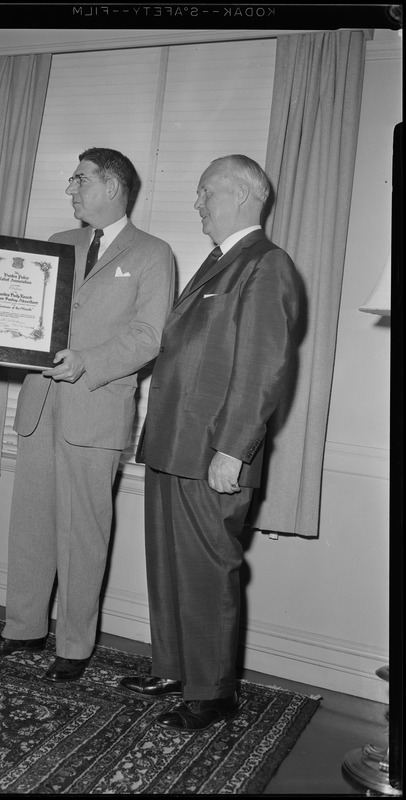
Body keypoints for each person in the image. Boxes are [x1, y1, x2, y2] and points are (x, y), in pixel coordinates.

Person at [0, 147, 175, 681]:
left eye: (80, 179)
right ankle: (23, 628)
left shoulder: (153, 253)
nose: (71, 189)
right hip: (40, 404)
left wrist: (86, 362)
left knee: (84, 532)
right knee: (31, 525)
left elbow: (148, 337)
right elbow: (25, 314)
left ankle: (75, 646)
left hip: (96, 407)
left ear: (113, 185)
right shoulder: (59, 244)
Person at [120, 155, 302, 731]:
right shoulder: (218, 262)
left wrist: (234, 448)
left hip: (213, 452)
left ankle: (214, 691)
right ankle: (174, 667)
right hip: (174, 444)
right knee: (169, 565)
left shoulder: (266, 265)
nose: (197, 202)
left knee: (206, 569)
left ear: (245, 196)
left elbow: (263, 366)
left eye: (206, 192)